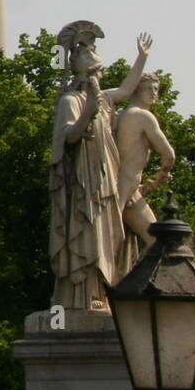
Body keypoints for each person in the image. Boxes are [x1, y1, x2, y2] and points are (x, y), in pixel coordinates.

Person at [49, 22, 151, 310]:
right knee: (86, 232)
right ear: (81, 69)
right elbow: (68, 138)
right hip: (83, 181)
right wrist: (88, 115)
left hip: (104, 177)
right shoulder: (71, 101)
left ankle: (104, 292)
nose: (101, 76)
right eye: (97, 71)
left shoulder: (104, 99)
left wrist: (141, 57)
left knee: (107, 235)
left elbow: (128, 88)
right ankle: (82, 296)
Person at [115, 72, 176, 248]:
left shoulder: (123, 115)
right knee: (110, 245)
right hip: (124, 189)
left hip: (129, 190)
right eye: (148, 88)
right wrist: (162, 174)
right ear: (136, 90)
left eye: (156, 89)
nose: (153, 93)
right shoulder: (142, 116)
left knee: (157, 241)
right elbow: (169, 155)